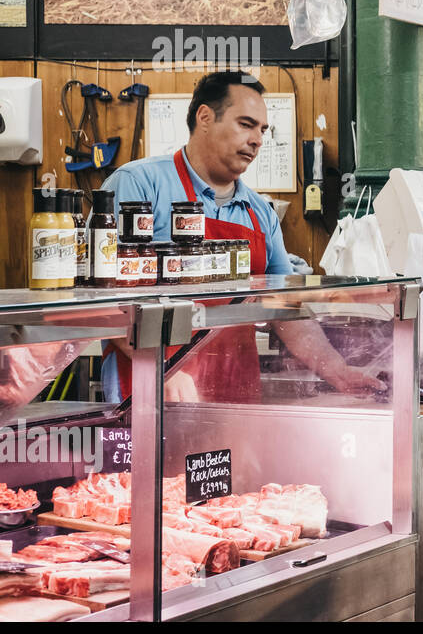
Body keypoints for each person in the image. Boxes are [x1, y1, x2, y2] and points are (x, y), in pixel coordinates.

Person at [101, 70, 381, 403]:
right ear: (205, 117)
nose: (258, 140)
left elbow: (286, 309)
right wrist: (162, 368)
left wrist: (339, 371)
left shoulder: (260, 211)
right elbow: (101, 296)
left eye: (263, 130)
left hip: (233, 389)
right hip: (152, 387)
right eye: (246, 125)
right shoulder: (139, 185)